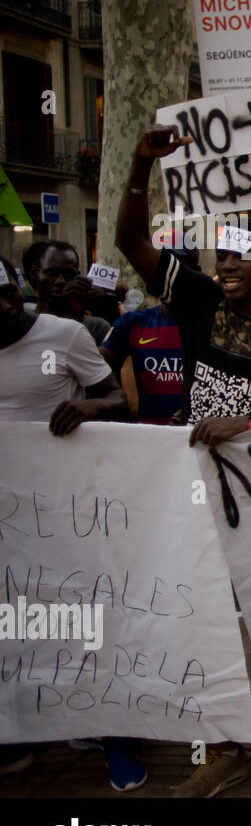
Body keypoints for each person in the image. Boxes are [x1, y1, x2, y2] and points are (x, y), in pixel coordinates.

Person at [116, 123, 251, 799]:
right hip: (198, 495)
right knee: (211, 618)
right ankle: (229, 746)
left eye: (244, 254)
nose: (228, 263)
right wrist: (139, 162)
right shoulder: (197, 301)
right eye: (221, 253)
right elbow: (130, 241)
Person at [0, 255, 140, 790]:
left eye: (5, 296)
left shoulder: (66, 335)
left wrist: (90, 409)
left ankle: (116, 737)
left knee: (86, 616)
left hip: (63, 508)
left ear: (18, 293)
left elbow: (118, 401)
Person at [98, 246, 200, 424]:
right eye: (161, 266)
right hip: (148, 443)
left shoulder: (216, 326)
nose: (168, 275)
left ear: (195, 273)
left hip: (198, 442)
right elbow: (92, 371)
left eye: (176, 267)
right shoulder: (131, 323)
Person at [25, 239, 112, 345]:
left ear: (77, 276)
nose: (60, 281)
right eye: (52, 273)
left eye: (68, 274)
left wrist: (75, 317)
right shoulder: (22, 327)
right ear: (34, 273)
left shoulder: (97, 328)